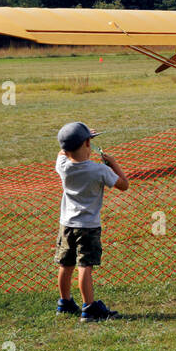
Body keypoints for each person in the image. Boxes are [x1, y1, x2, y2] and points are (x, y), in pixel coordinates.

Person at [54, 121, 129, 321]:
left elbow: (62, 153)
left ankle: (65, 302)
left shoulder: (63, 166)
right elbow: (124, 185)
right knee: (85, 266)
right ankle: (89, 308)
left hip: (66, 225)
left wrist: (79, 138)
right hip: (88, 227)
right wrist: (113, 163)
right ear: (87, 144)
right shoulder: (99, 171)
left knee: (65, 264)